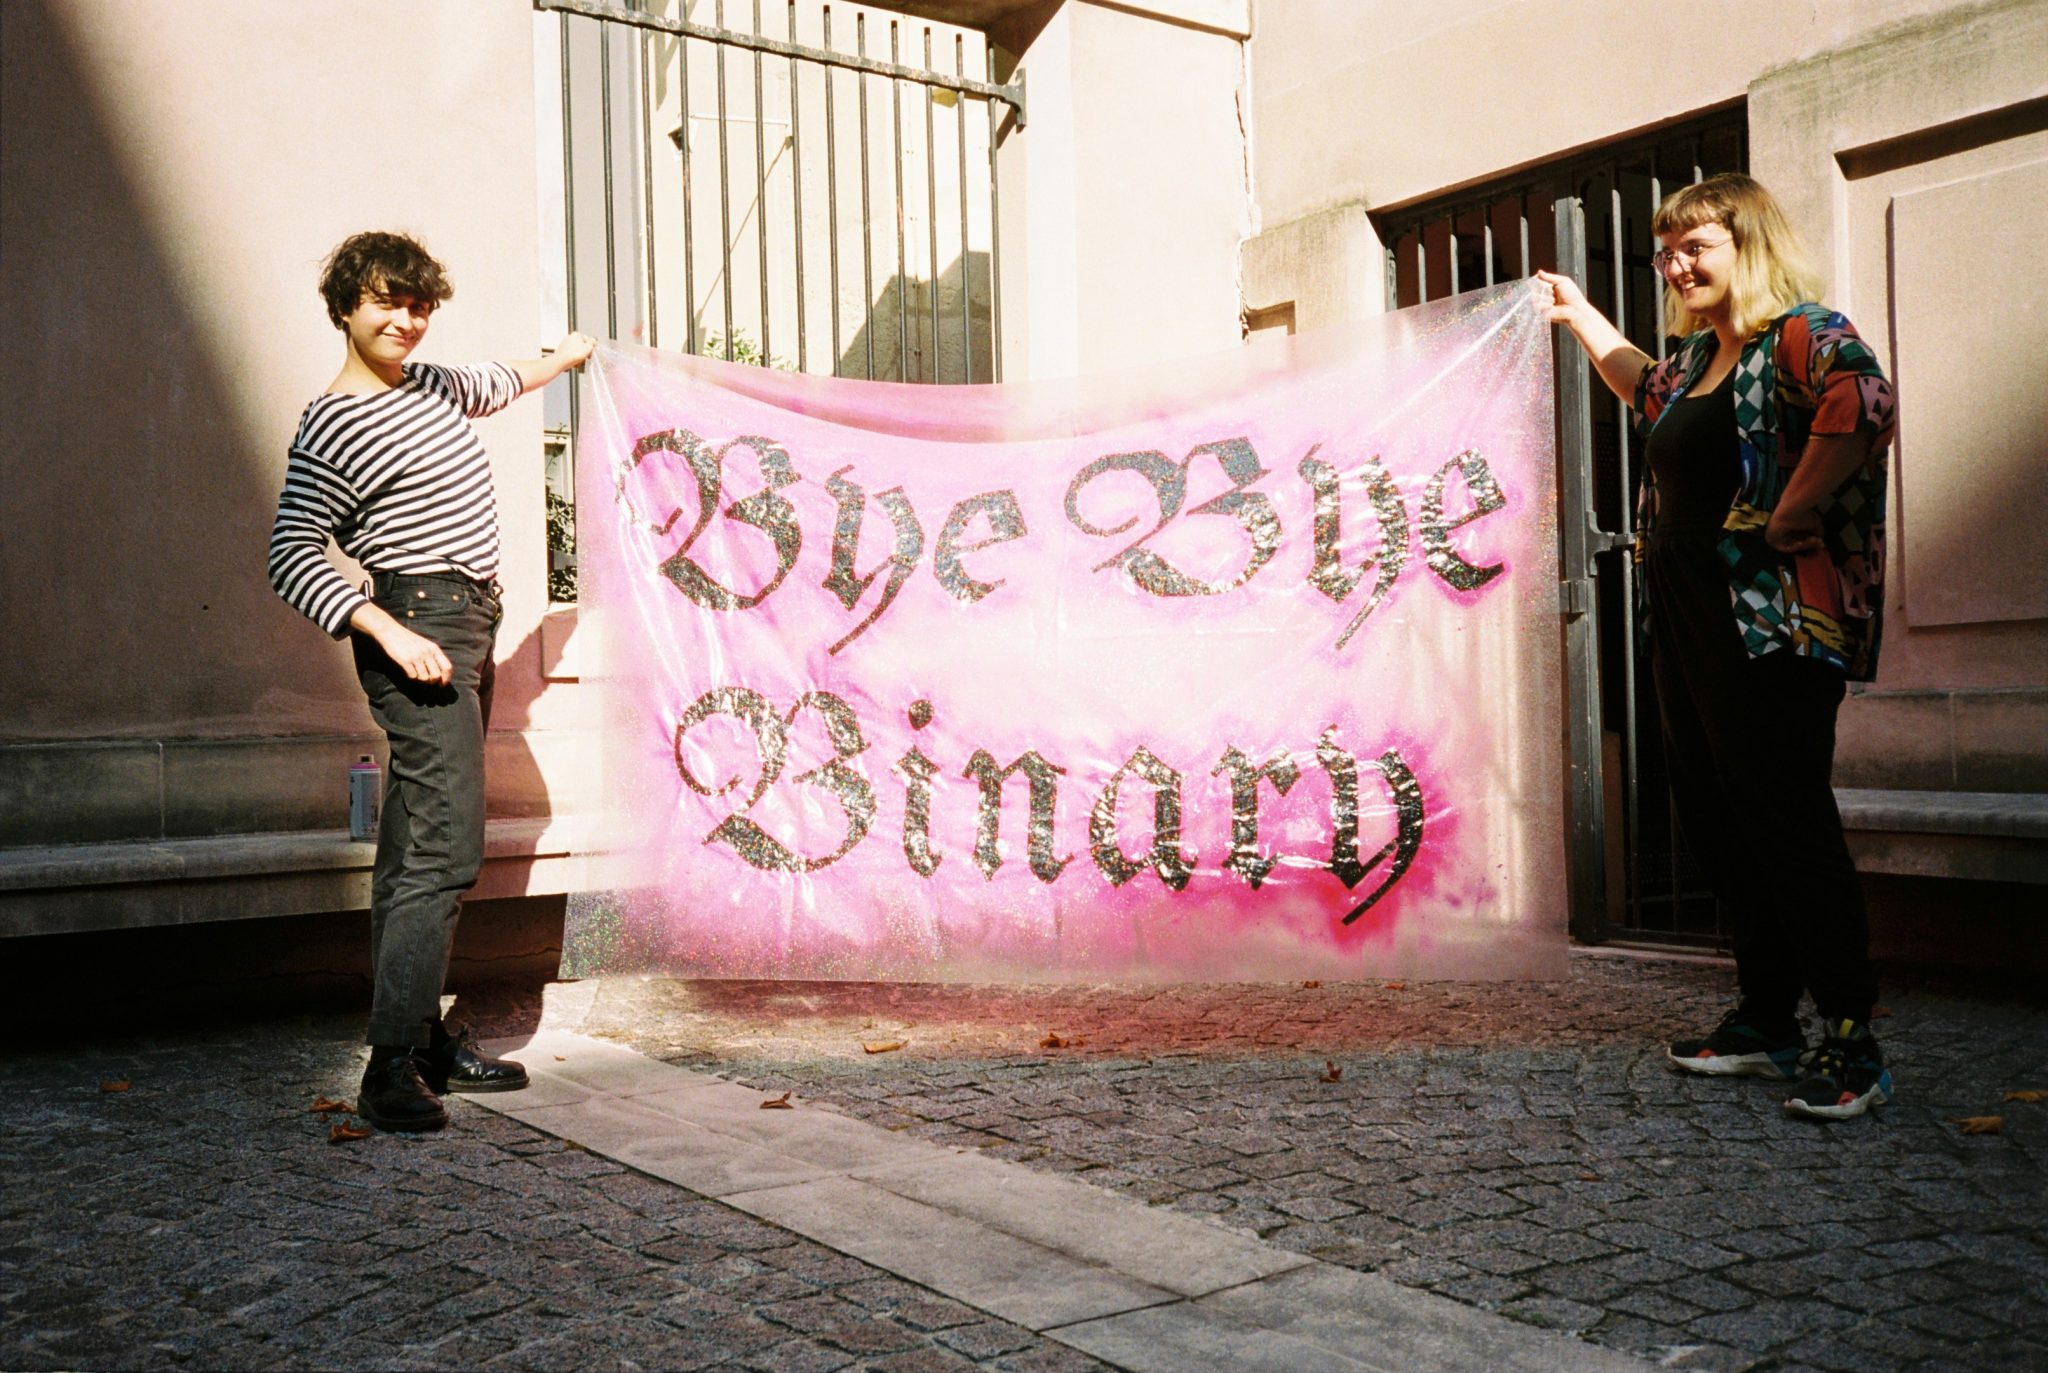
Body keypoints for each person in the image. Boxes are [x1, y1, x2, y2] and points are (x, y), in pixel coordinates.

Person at [1537, 173, 1898, 1121]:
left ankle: (1852, 1038)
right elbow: (1639, 387)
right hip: (1688, 623)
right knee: (1719, 820)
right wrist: (1582, 318)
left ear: (1749, 243)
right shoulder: (1697, 358)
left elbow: (1864, 402)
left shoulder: (1802, 332)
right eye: (1667, 249)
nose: (1676, 262)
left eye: (1696, 244)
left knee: (1786, 818)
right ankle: (1769, 1017)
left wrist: (1796, 506)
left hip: (1771, 625)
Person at [269, 230, 597, 1131]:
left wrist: (566, 356)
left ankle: (417, 1038)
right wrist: (383, 626)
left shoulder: (433, 384)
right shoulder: (333, 419)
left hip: (469, 622)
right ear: (344, 308)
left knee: (414, 845)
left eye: (417, 305)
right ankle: (388, 1070)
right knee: (448, 851)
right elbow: (290, 552)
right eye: (385, 303)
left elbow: (501, 381)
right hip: (418, 627)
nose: (405, 321)